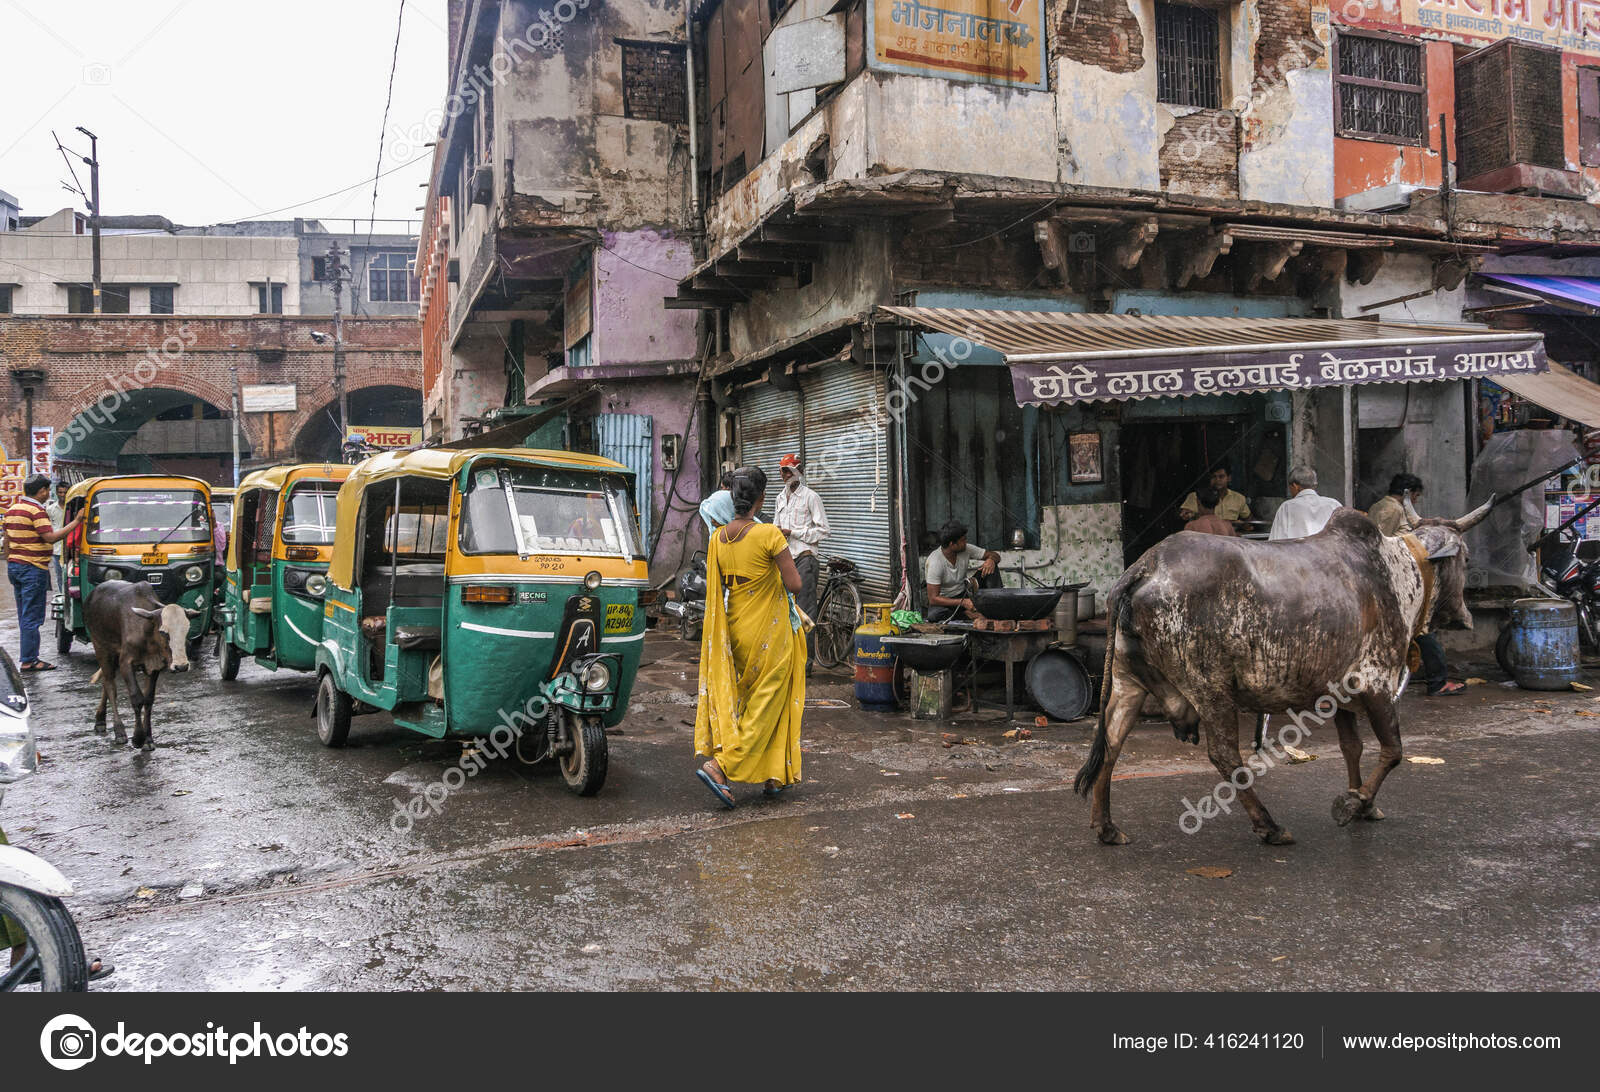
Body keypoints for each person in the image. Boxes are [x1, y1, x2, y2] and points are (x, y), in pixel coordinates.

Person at [693, 470, 806, 808]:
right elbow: (795, 584)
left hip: (737, 627)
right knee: (768, 701)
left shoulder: (717, 539)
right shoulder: (769, 534)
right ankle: (721, 765)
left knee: (756, 699)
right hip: (770, 631)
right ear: (760, 500)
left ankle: (774, 775)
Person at [1365, 474, 1466, 697]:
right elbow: (1380, 542)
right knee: (1422, 628)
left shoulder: (1380, 506)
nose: (1417, 501)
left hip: (1388, 578)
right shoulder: (1393, 510)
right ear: (1409, 493)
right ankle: (1437, 682)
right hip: (1398, 579)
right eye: (1416, 496)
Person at [3, 474, 82, 671]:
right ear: (41, 491)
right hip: (32, 568)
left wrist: (12, 560)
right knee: (32, 615)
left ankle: (27, 656)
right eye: (47, 490)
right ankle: (30, 660)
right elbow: (50, 538)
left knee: (24, 615)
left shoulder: (12, 509)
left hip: (15, 567)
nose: (49, 493)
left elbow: (6, 543)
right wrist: (77, 521)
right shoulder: (36, 511)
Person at [772, 454, 829, 672]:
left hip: (805, 558)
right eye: (782, 471)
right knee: (784, 610)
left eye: (788, 470)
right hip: (785, 560)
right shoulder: (779, 498)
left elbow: (823, 530)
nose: (784, 474)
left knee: (805, 611)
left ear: (798, 472)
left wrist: (793, 532)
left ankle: (805, 663)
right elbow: (776, 526)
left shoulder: (811, 497)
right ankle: (788, 658)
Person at [925, 519, 1001, 622]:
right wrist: (963, 602)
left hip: (966, 592)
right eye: (963, 540)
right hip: (947, 601)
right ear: (952, 544)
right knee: (934, 615)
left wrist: (991, 559)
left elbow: (995, 555)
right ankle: (965, 614)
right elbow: (933, 599)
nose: (966, 542)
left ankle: (997, 609)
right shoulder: (935, 562)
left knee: (992, 567)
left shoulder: (966, 549)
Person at [1269, 466, 1342, 541]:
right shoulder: (1334, 504)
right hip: (1328, 552)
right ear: (1315, 485)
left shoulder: (1287, 507)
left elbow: (1276, 541)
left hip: (1298, 552)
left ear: (1295, 486)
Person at [1179, 463, 1251, 524]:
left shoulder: (1239, 498)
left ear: (1229, 478)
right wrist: (1186, 515)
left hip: (1229, 537)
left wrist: (1244, 525)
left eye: (1221, 476)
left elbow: (1248, 519)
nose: (1217, 480)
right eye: (1213, 477)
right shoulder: (1196, 496)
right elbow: (1184, 515)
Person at [1367, 472, 1423, 537]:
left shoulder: (1378, 505)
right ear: (1408, 492)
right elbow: (1382, 540)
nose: (1415, 501)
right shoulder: (1394, 509)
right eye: (1416, 495)